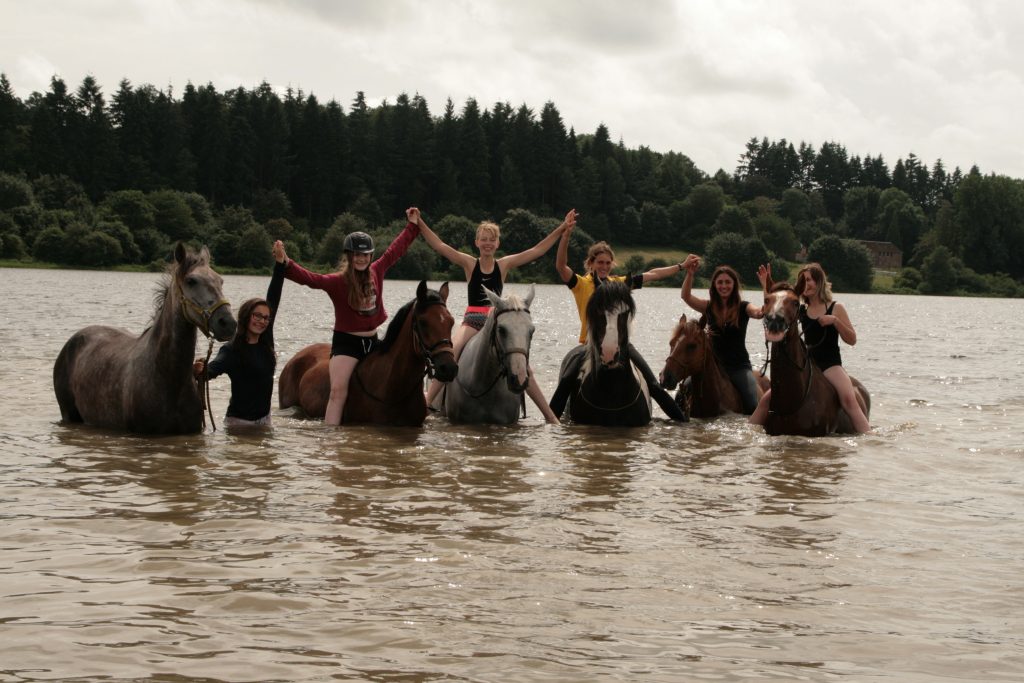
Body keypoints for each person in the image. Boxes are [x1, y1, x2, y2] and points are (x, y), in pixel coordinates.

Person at [415, 210, 571, 424]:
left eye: (492, 240)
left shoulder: (503, 265)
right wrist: (420, 223)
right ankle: (427, 402)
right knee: (453, 351)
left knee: (524, 367)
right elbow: (440, 246)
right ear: (477, 242)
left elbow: (536, 250)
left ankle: (550, 417)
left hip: (496, 321)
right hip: (472, 321)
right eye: (484, 239)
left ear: (497, 243)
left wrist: (561, 228)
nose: (487, 243)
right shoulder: (470, 263)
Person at [275, 210, 420, 425]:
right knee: (337, 392)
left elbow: (394, 251)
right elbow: (311, 279)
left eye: (365, 255)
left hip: (373, 343)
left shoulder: (377, 270)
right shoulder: (337, 281)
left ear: (370, 256)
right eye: (356, 255)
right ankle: (332, 435)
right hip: (347, 345)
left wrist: (412, 226)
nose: (361, 259)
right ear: (349, 256)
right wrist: (286, 263)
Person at [549, 221, 689, 421]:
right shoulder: (581, 284)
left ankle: (682, 423)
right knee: (566, 381)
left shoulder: (620, 285)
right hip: (589, 346)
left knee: (653, 385)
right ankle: (550, 425)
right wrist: (565, 236)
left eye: (608, 263)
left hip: (622, 345)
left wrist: (681, 266)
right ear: (591, 263)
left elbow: (653, 274)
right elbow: (561, 266)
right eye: (600, 262)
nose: (604, 266)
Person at [749, 262, 871, 432]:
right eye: (803, 280)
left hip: (830, 364)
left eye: (809, 280)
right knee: (765, 401)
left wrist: (835, 321)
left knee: (849, 400)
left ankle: (869, 436)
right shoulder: (800, 309)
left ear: (819, 282)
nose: (806, 284)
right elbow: (773, 310)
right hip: (806, 364)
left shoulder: (835, 307)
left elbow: (852, 340)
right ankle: (747, 436)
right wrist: (766, 287)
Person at [193, 254, 285, 426]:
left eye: (266, 318)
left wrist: (280, 264)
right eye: (257, 316)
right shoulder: (232, 350)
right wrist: (200, 369)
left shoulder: (266, 341)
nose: (262, 321)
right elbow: (211, 370)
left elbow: (274, 297)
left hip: (265, 421)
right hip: (239, 425)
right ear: (246, 316)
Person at [679, 254, 764, 414]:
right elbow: (686, 296)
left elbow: (760, 313)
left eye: (727, 282)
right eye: (720, 282)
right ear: (714, 285)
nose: (724, 286)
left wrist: (766, 287)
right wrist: (690, 274)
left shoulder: (743, 307)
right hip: (712, 367)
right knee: (682, 393)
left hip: (738, 367)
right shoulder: (708, 307)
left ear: (734, 285)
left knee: (752, 403)